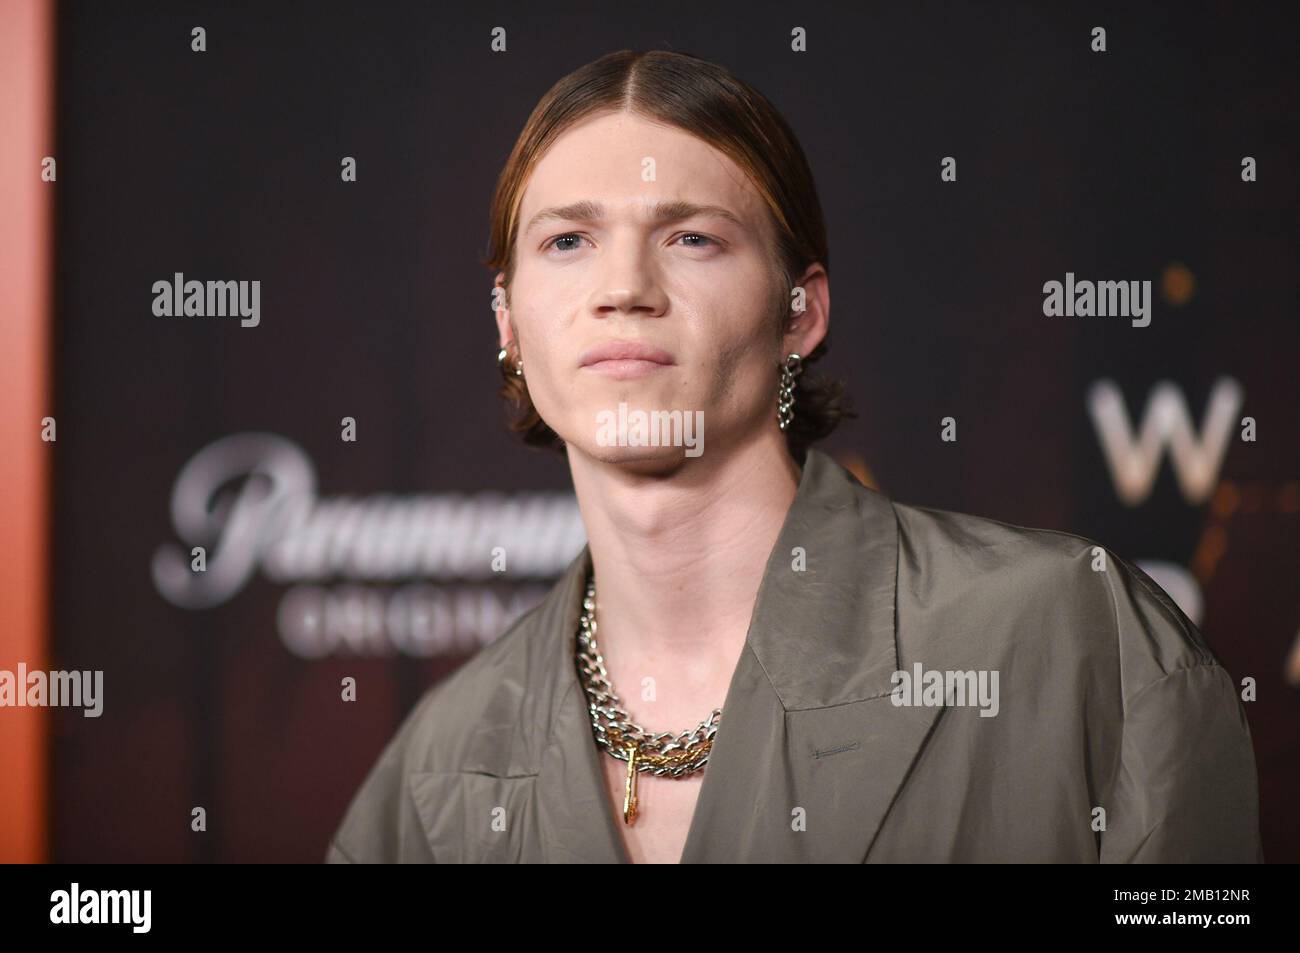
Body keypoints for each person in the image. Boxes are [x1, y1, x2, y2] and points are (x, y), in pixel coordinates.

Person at [326, 49, 1263, 863]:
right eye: (568, 240)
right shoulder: (436, 769)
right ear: (509, 324)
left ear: (800, 312)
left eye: (690, 237)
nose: (623, 288)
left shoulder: (1070, 638)